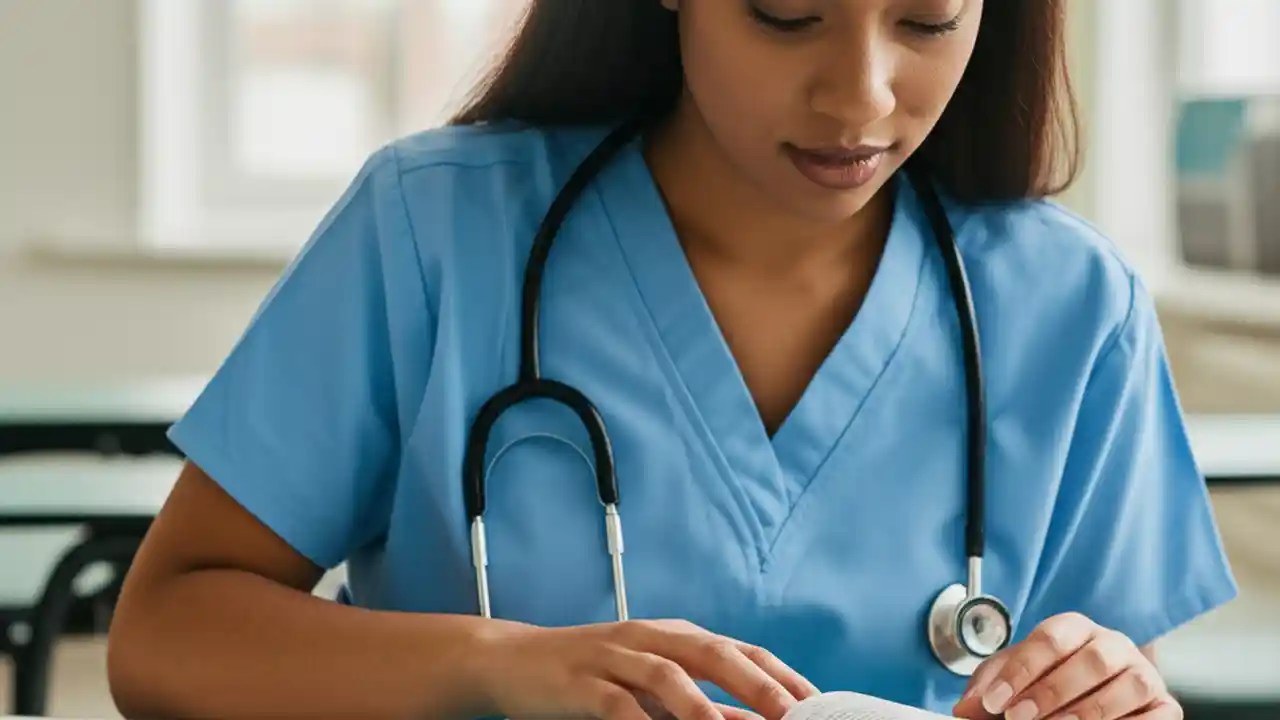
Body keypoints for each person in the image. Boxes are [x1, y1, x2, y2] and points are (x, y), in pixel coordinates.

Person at [106, 1, 1238, 719]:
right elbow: (164, 636)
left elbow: (1095, 681)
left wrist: (1117, 698)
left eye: (928, 21)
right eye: (784, 14)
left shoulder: (1068, 304)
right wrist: (486, 666)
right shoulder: (432, 232)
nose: (860, 96)